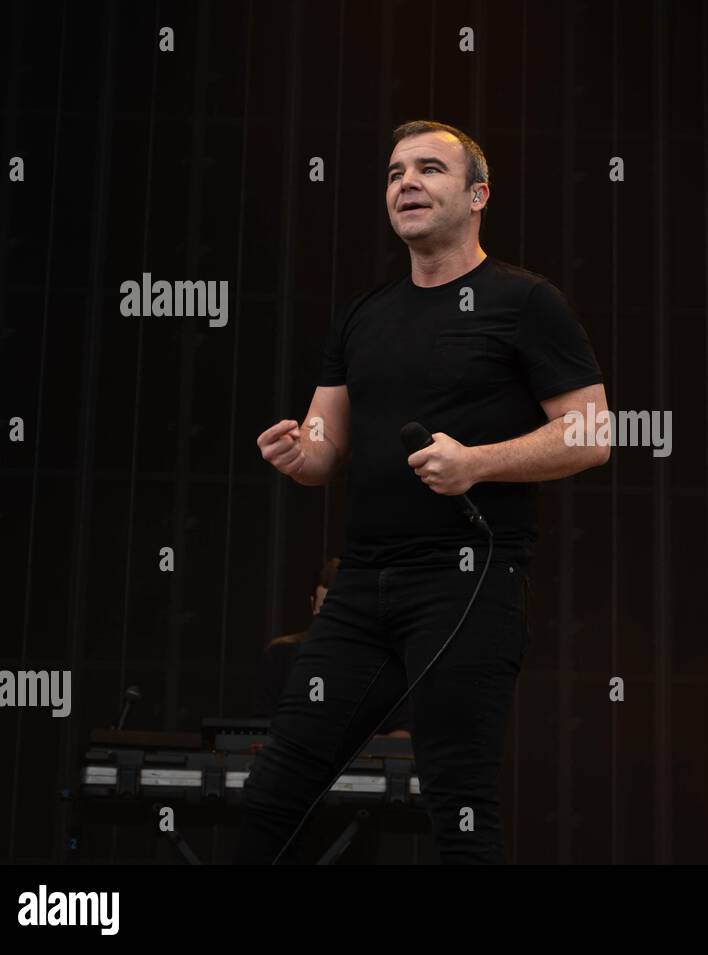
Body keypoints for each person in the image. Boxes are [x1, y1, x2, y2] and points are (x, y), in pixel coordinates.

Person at [237, 120, 609, 864]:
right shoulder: (364, 313)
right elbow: (324, 449)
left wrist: (476, 463)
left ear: (477, 196)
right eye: (394, 171)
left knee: (458, 805)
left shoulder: (524, 302)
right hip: (362, 585)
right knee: (274, 790)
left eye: (428, 169)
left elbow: (591, 433)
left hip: (466, 581)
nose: (404, 181)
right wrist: (295, 450)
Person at [252, 557, 414, 735]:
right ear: (313, 605)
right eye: (326, 610)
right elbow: (261, 731)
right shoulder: (279, 656)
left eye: (342, 612)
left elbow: (401, 732)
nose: (334, 621)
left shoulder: (382, 663)